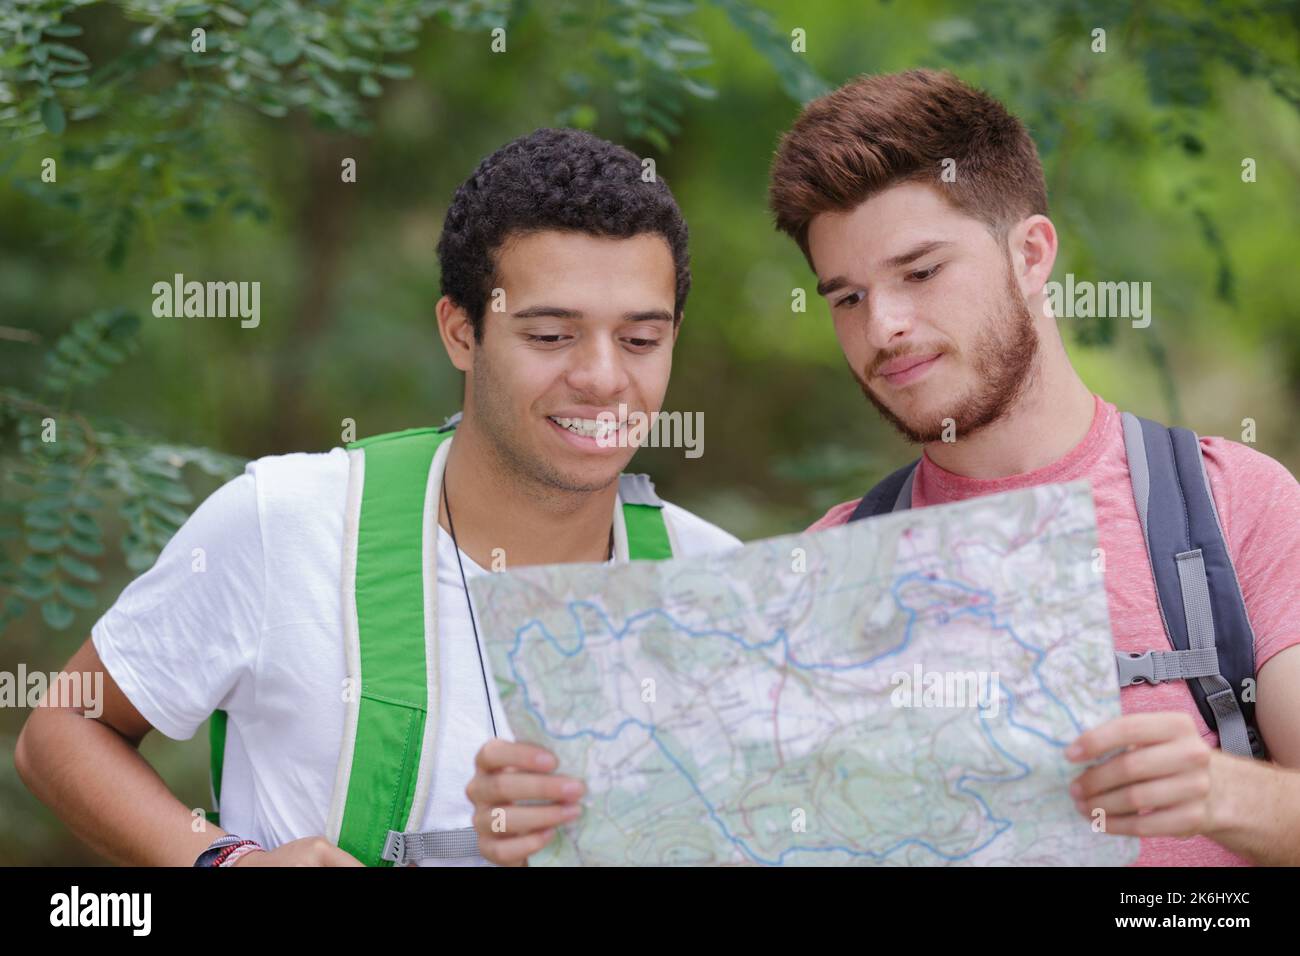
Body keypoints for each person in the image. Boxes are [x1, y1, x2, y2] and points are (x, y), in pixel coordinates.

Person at [467, 70, 1300, 867]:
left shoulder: (1229, 508)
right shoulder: (827, 566)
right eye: (847, 297)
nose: (886, 326)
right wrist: (560, 828)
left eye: (922, 272)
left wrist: (1222, 793)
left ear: (1033, 253)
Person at [14, 127, 739, 867]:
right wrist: (228, 861)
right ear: (461, 331)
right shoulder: (287, 521)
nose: (603, 378)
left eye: (641, 341)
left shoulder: (727, 586)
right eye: (552, 335)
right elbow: (64, 730)